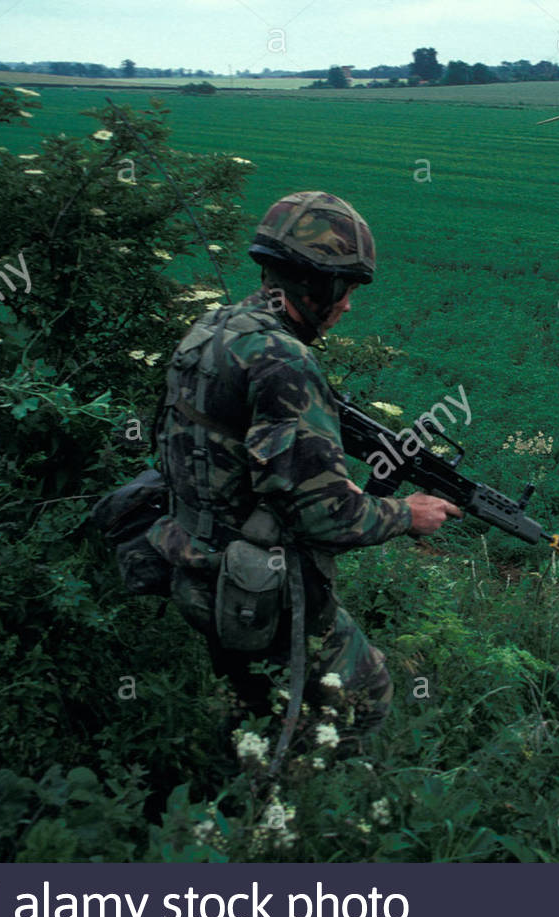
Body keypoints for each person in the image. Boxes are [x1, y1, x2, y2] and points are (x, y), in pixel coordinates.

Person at [148, 190, 461, 756]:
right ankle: (290, 821)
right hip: (252, 584)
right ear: (315, 286)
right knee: (359, 696)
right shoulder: (284, 360)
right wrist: (405, 514)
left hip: (193, 562)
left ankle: (224, 785)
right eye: (346, 291)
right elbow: (323, 516)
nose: (348, 307)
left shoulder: (216, 326)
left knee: (256, 703)